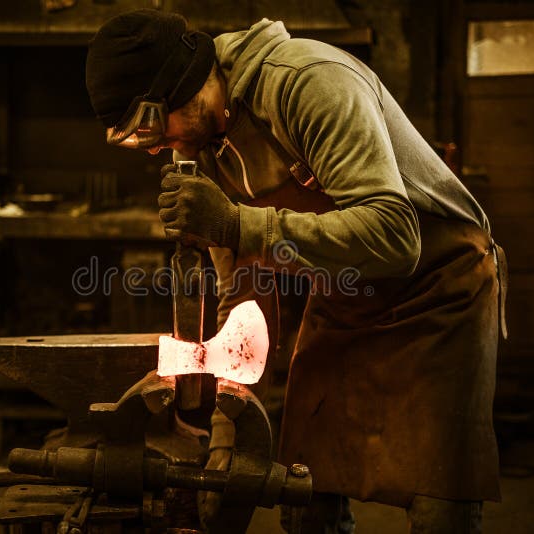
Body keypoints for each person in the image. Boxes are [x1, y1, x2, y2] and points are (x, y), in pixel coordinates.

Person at [85, 9, 506, 534]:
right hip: (345, 298)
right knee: (306, 494)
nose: (153, 147)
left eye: (151, 126)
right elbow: (241, 300)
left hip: (440, 291)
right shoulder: (198, 148)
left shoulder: (307, 84)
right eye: (134, 138)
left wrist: (238, 224)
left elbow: (397, 238)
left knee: (439, 498)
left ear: (181, 88)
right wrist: (224, 433)